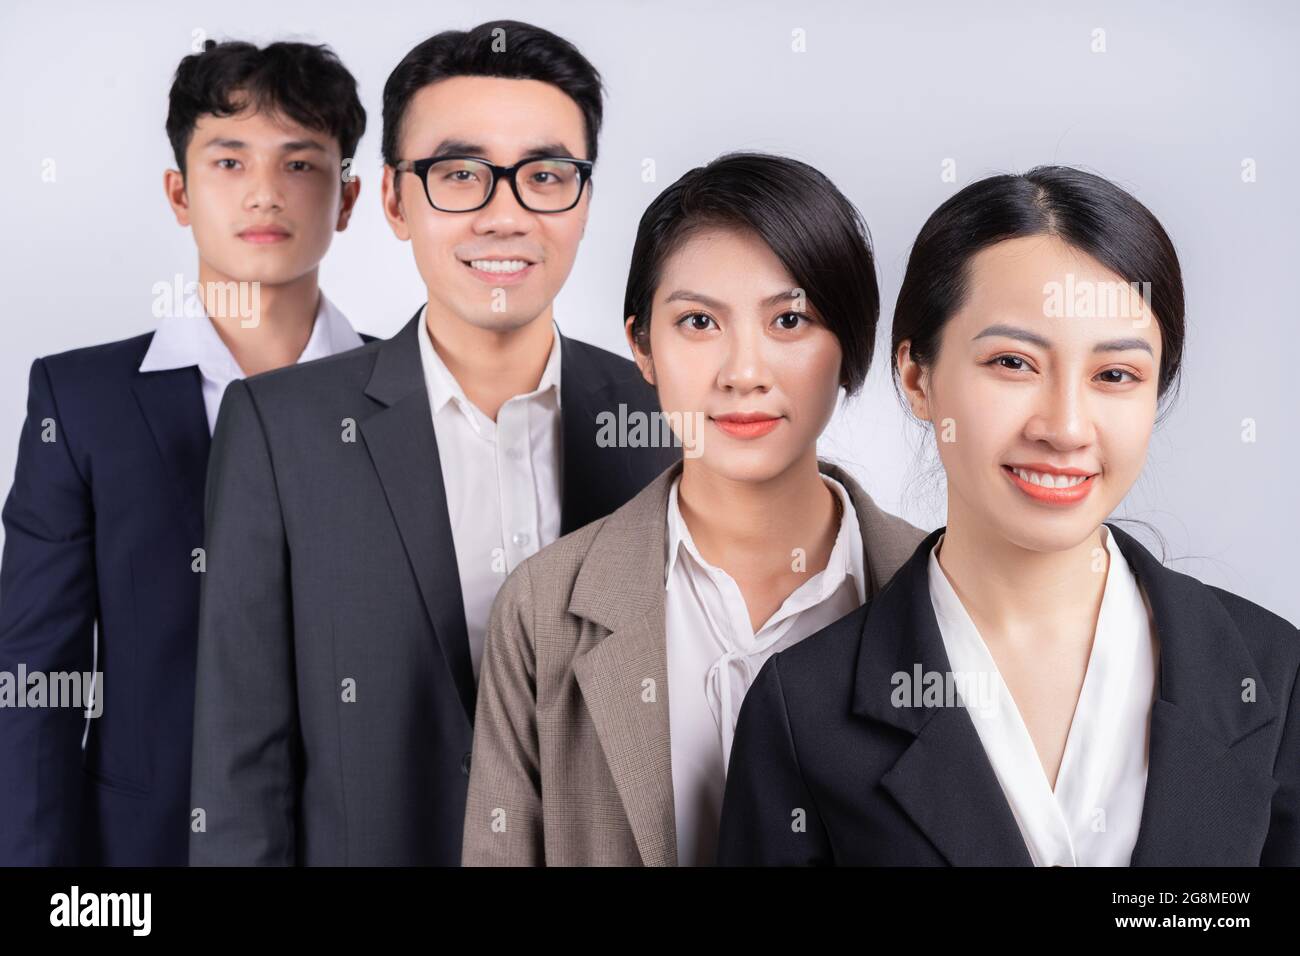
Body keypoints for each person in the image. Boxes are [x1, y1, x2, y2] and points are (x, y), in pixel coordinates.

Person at [188, 21, 678, 866]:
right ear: (394, 200)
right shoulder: (281, 427)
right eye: (459, 175)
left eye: (545, 176)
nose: (505, 215)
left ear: (585, 200)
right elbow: (241, 766)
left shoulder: (668, 417)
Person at [718, 166, 1300, 866]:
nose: (1066, 427)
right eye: (1014, 363)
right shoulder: (803, 711)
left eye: (1115, 375)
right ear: (917, 378)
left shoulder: (1274, 673)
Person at [462, 152, 925, 866]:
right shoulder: (542, 608)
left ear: (851, 345)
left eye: (790, 319)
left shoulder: (944, 590)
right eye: (699, 321)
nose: (744, 373)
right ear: (642, 346)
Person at [0, 38, 370, 866]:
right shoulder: (82, 401)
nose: (265, 192)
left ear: (347, 199)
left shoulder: (409, 393)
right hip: (146, 850)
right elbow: (36, 679)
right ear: (179, 192)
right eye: (229, 162)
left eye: (300, 164)